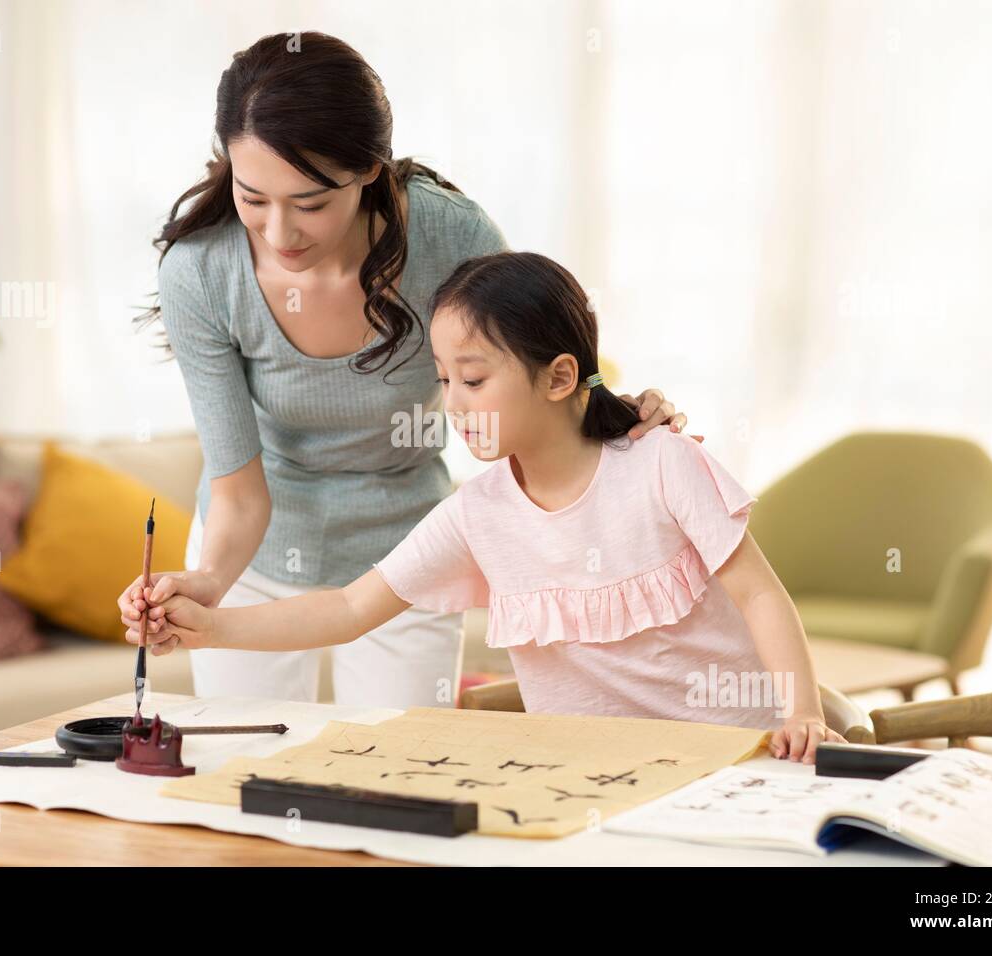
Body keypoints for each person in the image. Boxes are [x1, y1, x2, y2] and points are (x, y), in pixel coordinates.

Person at [121, 32, 688, 709]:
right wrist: (207, 583)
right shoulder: (202, 272)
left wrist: (614, 416)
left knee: (401, 773)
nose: (279, 233)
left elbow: (535, 373)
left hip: (406, 550)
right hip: (254, 553)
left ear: (368, 170)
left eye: (310, 203)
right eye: (253, 198)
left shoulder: (449, 237)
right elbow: (242, 494)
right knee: (244, 766)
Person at [130, 251, 846, 764]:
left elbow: (758, 595)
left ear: (561, 376)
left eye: (473, 378)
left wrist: (802, 714)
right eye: (443, 379)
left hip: (746, 755)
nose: (454, 404)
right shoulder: (478, 513)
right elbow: (348, 610)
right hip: (606, 780)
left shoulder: (663, 463)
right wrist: (208, 625)